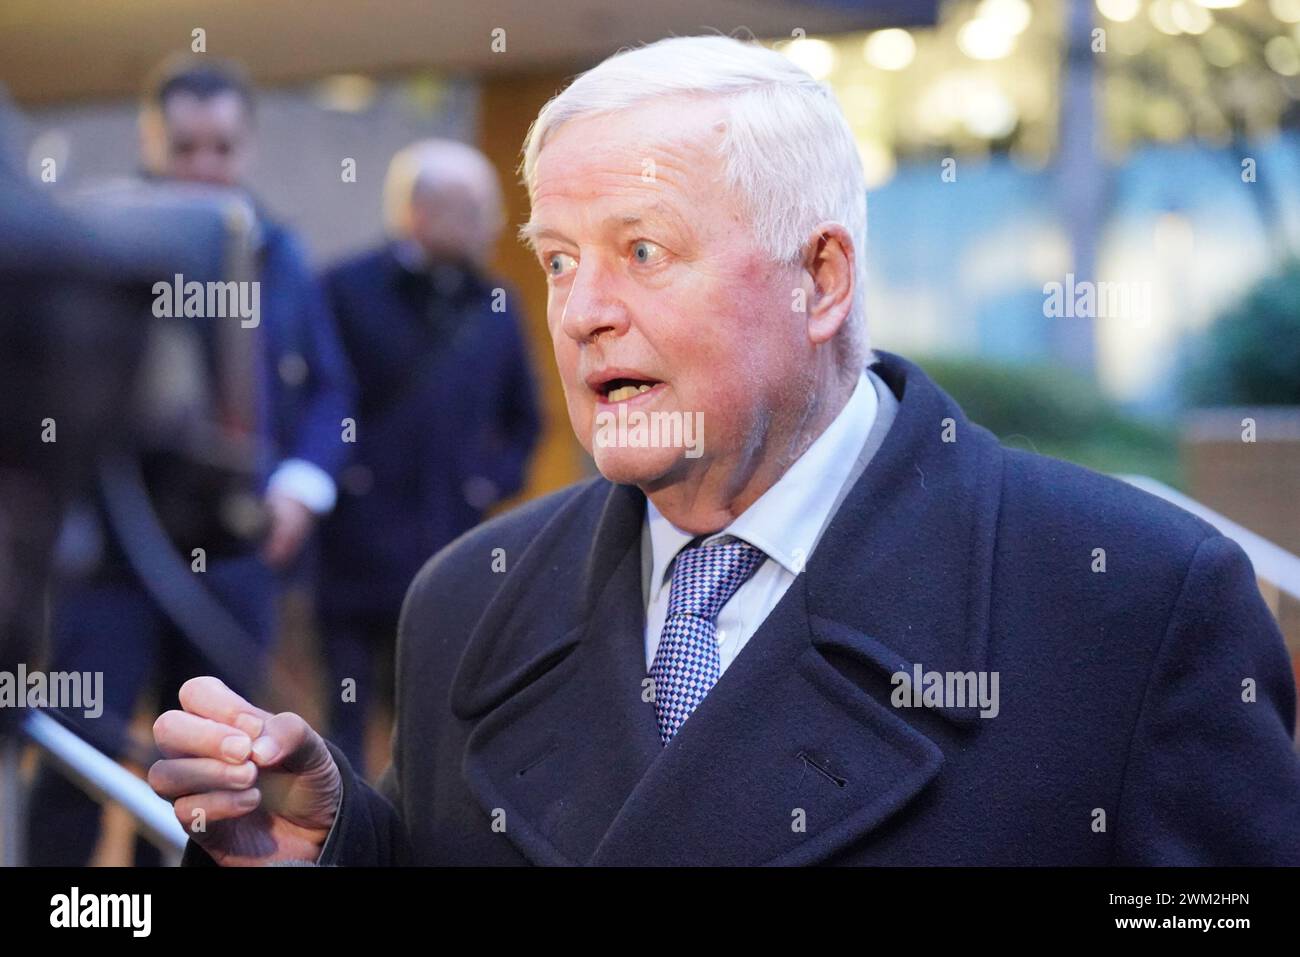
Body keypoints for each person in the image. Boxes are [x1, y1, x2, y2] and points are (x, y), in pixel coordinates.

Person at [151, 36, 1300, 866]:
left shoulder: (1133, 605)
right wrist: (335, 852)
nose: (581, 311)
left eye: (642, 251)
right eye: (557, 260)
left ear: (822, 278)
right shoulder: (465, 601)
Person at [27, 57, 354, 865]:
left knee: (217, 771)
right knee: (79, 754)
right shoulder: (97, 246)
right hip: (111, 551)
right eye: (185, 147)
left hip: (234, 552)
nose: (204, 167)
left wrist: (299, 491)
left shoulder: (280, 255)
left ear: (245, 146)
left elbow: (329, 391)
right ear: (151, 138)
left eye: (221, 148)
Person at [316, 140, 539, 775]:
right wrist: (340, 480)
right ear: (420, 210)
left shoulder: (495, 304)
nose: (490, 227)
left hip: (449, 543)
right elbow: (314, 402)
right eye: (473, 210)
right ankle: (343, 835)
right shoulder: (344, 290)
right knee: (346, 710)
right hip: (353, 546)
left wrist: (483, 484)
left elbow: (525, 419)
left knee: (432, 709)